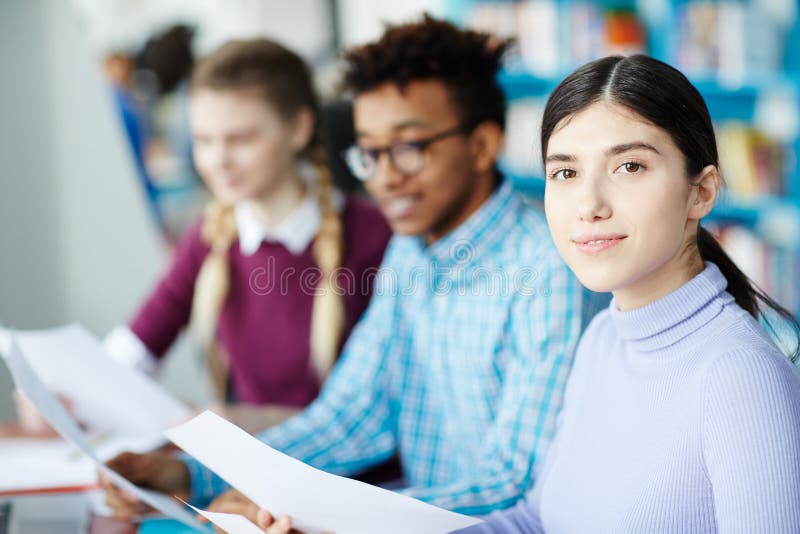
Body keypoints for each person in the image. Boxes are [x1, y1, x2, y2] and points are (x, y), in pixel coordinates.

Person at [101, 15, 587, 522]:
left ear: (483, 145)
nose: (385, 179)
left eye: (409, 149)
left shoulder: (546, 271)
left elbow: (515, 486)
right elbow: (350, 416)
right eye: (370, 155)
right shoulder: (412, 251)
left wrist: (332, 516)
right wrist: (194, 476)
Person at [450, 54, 800, 533]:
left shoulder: (739, 376)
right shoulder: (603, 337)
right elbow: (537, 520)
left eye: (629, 166)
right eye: (566, 174)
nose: (590, 205)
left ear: (702, 191)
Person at [17, 38, 391, 436]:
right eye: (203, 141)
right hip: (251, 483)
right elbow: (134, 349)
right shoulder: (210, 235)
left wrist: (264, 421)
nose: (217, 161)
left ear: (299, 128)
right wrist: (67, 394)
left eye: (241, 139)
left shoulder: (374, 237)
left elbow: (385, 411)